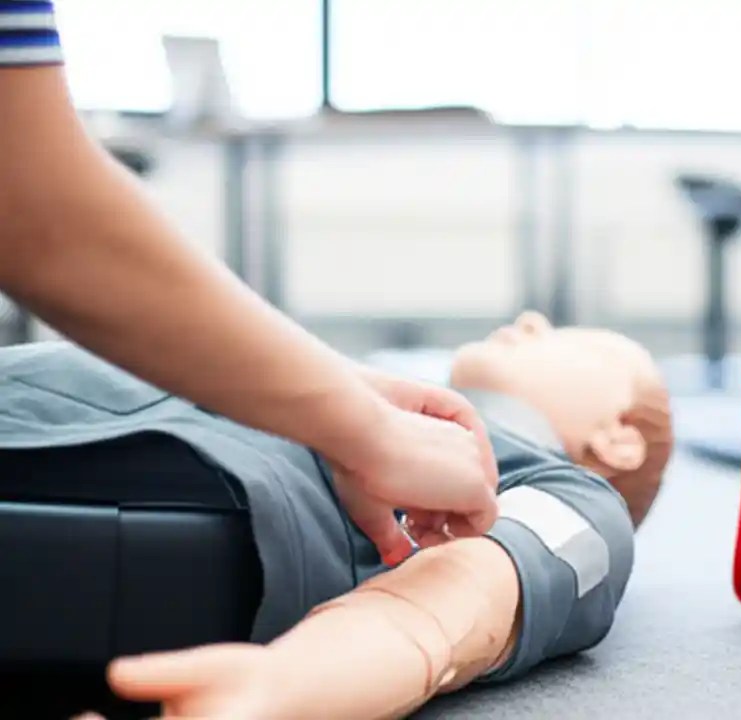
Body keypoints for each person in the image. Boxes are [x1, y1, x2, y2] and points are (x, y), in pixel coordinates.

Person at [0, 1, 497, 565]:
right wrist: (359, 420)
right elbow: (38, 213)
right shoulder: (425, 454)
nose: (528, 324)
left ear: (619, 437)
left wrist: (354, 408)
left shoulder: (504, 477)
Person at [0, 312, 672, 718]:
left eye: (568, 338)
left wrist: (284, 689)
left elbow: (453, 605)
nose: (529, 319)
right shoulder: (350, 392)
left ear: (616, 439)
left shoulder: (575, 503)